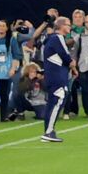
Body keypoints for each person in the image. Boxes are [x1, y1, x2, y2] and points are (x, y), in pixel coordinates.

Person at [37, 15, 76, 144]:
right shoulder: (57, 38)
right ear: (61, 26)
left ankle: (49, 130)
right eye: (68, 24)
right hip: (57, 76)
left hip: (54, 75)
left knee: (54, 101)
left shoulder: (51, 39)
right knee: (57, 99)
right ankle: (49, 131)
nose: (70, 27)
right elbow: (66, 56)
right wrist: (72, 64)